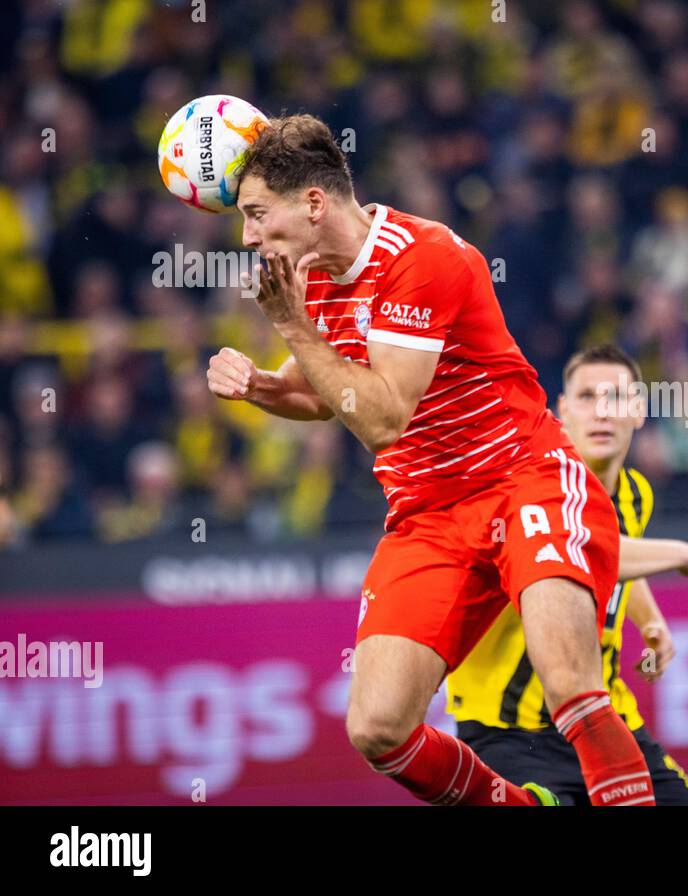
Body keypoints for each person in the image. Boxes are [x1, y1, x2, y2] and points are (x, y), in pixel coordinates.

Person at [206, 115, 654, 806]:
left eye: (257, 215)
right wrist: (265, 387)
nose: (247, 236)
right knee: (378, 727)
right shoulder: (315, 280)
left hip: (520, 479)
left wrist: (291, 327)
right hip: (427, 514)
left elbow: (384, 416)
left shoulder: (424, 257)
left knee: (568, 681)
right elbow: (328, 394)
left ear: (314, 204)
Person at [447, 343, 688, 804]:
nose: (602, 412)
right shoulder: (531, 483)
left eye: (616, 398)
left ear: (639, 411)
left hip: (605, 720)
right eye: (586, 397)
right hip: (510, 730)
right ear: (561, 410)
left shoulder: (636, 494)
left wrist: (650, 621)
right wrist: (682, 553)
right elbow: (573, 550)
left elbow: (613, 560)